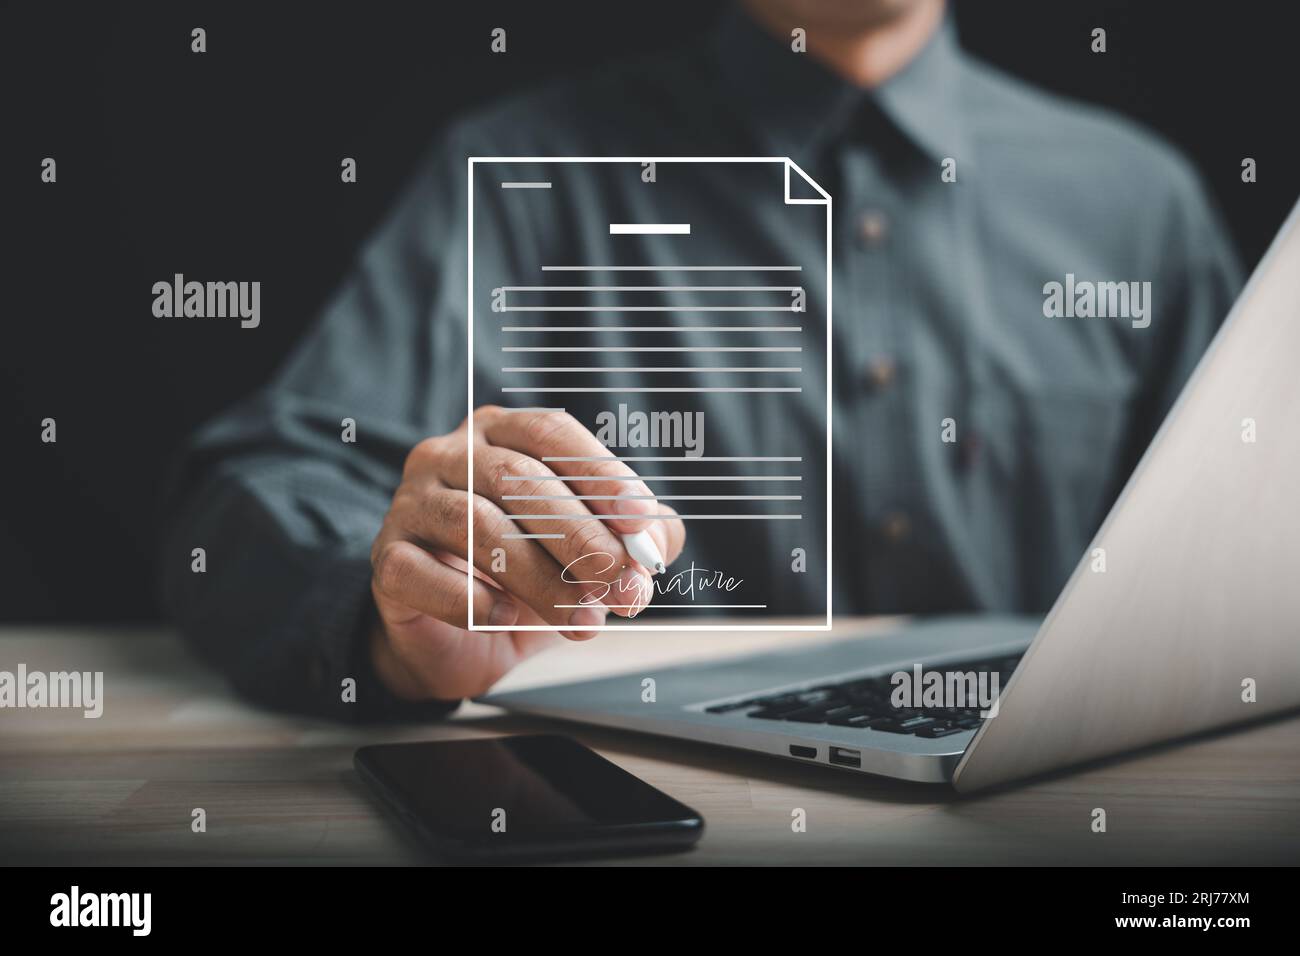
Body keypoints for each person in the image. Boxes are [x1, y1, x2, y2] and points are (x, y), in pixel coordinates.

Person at [160, 0, 1241, 720]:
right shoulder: (524, 177)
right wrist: (396, 618)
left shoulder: (1138, 203)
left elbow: (1246, 560)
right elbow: (255, 491)